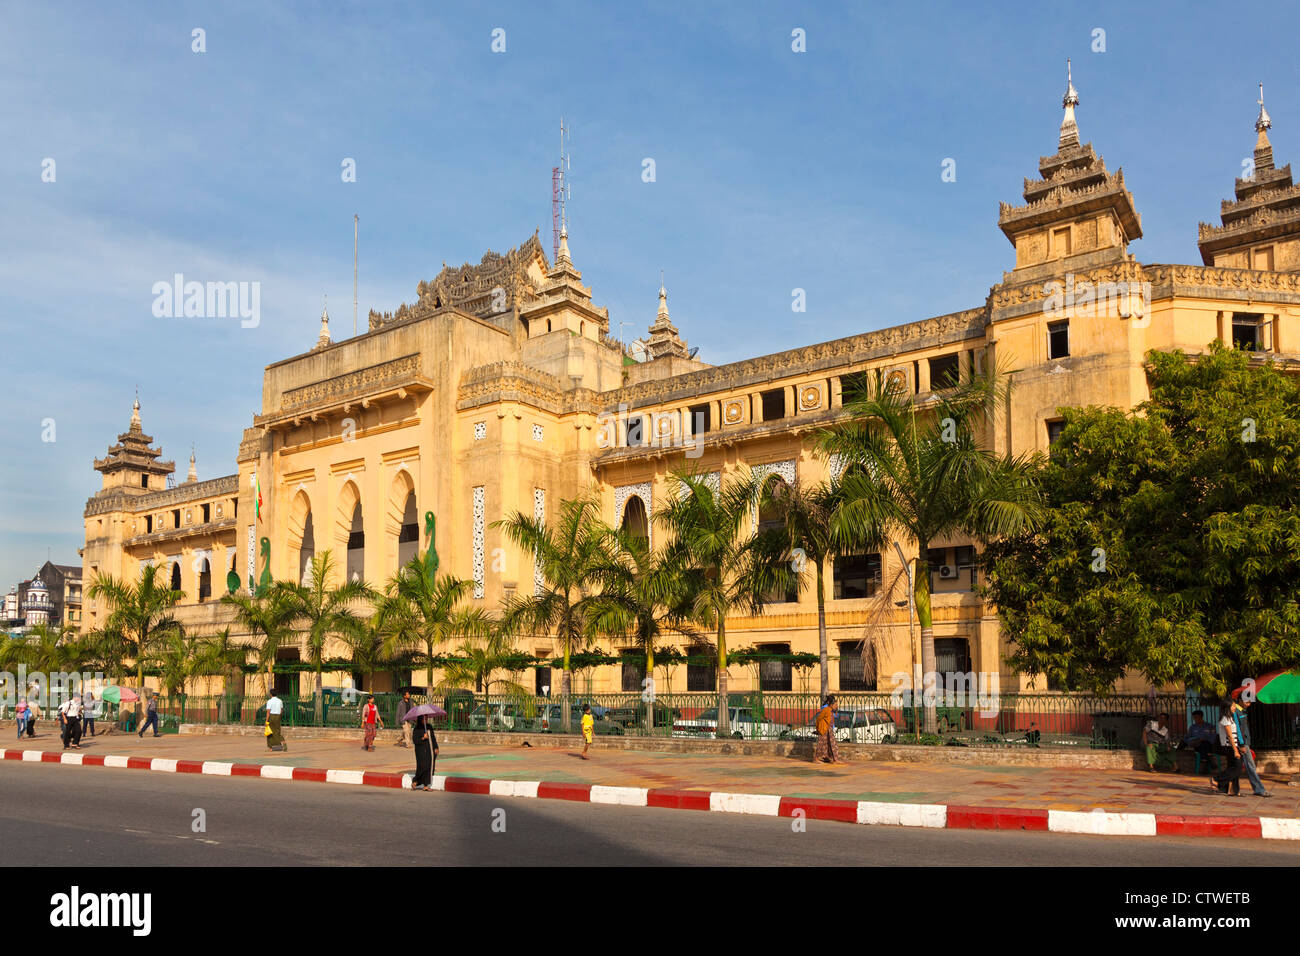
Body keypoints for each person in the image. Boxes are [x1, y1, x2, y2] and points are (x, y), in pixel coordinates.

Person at [1229, 693, 1271, 798]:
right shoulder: (1236, 712)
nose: (1249, 704)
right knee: (1250, 766)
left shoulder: (1242, 711)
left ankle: (1229, 787)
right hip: (1242, 743)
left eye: (1250, 702)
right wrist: (1242, 744)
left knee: (1236, 767)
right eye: (1247, 702)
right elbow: (1238, 729)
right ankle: (1259, 789)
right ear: (1240, 700)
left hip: (1245, 742)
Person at [1213, 706, 1241, 796]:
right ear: (1227, 707)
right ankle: (1217, 779)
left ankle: (1232, 790)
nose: (1234, 707)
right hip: (1230, 746)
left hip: (1235, 745)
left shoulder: (1231, 717)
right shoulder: (1225, 718)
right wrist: (1235, 750)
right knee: (1236, 768)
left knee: (1232, 767)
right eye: (1233, 706)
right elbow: (1229, 735)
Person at [411, 714, 438, 790]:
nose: (425, 721)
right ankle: (415, 781)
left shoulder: (429, 727)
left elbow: (433, 738)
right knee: (422, 767)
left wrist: (436, 747)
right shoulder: (417, 728)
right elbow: (415, 740)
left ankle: (426, 785)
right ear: (420, 719)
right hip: (420, 751)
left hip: (429, 750)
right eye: (424, 719)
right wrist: (423, 737)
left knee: (429, 767)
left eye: (426, 719)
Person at [814, 695, 840, 764]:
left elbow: (835, 716)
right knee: (821, 745)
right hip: (824, 729)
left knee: (831, 745)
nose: (836, 706)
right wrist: (818, 728)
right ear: (830, 704)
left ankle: (832, 759)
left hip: (829, 730)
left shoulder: (831, 710)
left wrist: (836, 709)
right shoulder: (826, 710)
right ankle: (816, 759)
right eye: (835, 704)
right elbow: (818, 719)